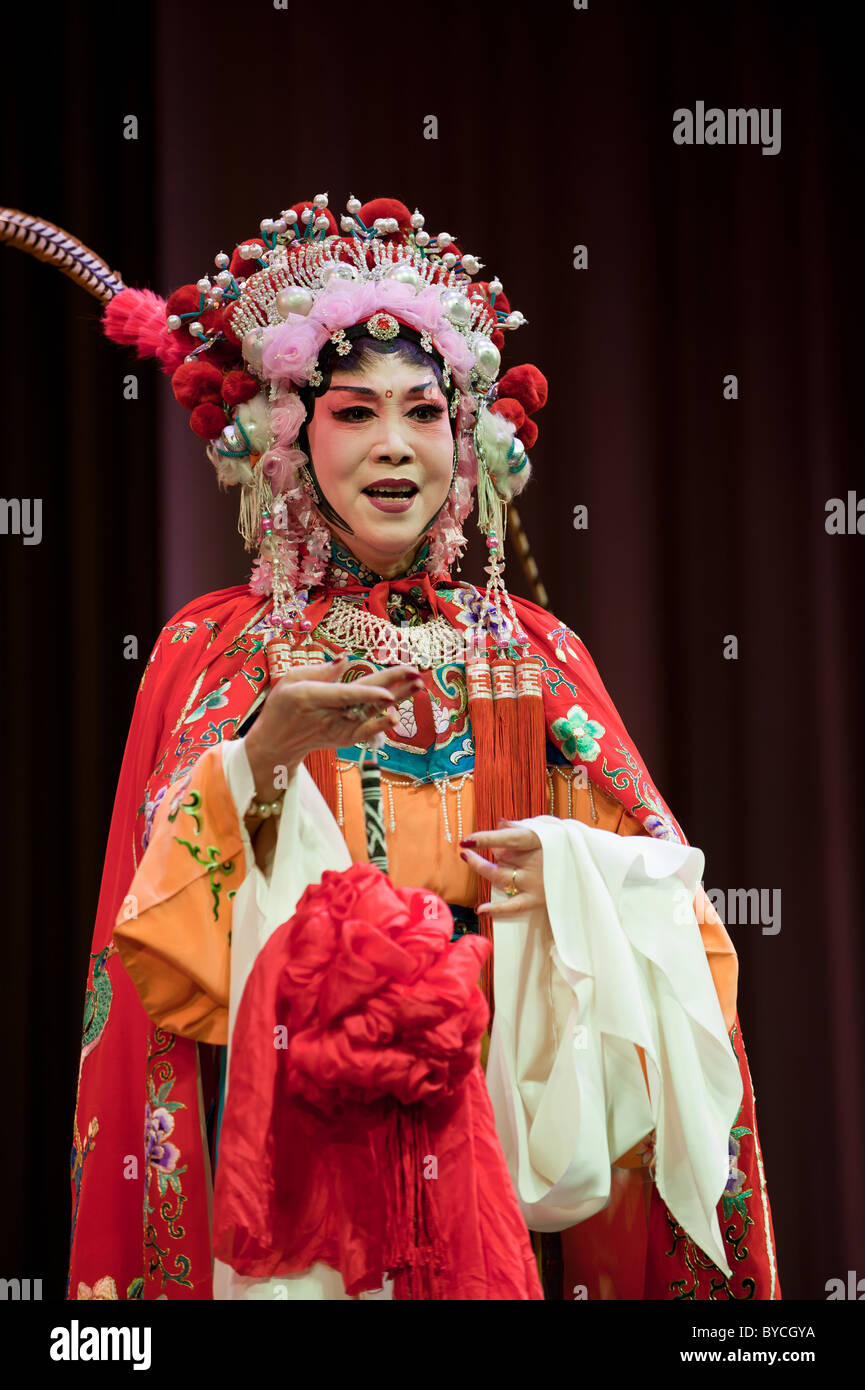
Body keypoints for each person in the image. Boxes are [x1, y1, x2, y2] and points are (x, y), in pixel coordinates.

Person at [64, 192, 780, 1300]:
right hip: (298, 1174)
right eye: (354, 411)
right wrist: (258, 759)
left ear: (470, 435)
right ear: (289, 441)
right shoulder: (215, 652)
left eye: (423, 411)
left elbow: (691, 947)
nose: (396, 445)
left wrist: (576, 881)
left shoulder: (534, 656)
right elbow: (155, 955)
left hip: (503, 1166)